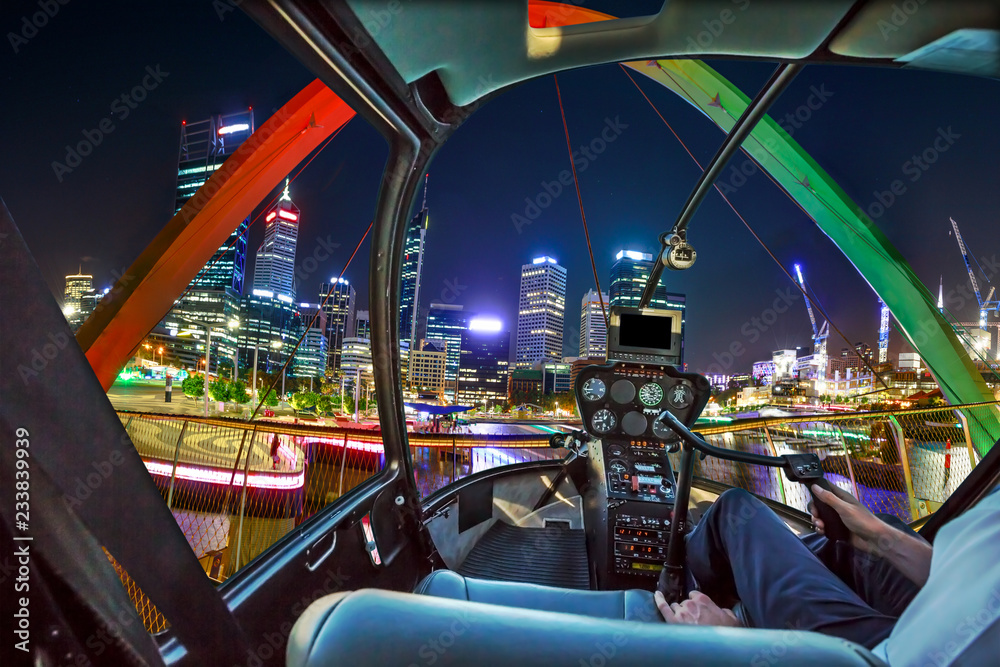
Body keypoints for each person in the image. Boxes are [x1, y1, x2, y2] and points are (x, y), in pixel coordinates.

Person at [655, 483, 1000, 664]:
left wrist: (732, 645)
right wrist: (880, 537)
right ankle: (760, 594)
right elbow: (974, 572)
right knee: (862, 538)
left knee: (734, 509)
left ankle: (693, 587)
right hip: (948, 607)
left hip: (884, 655)